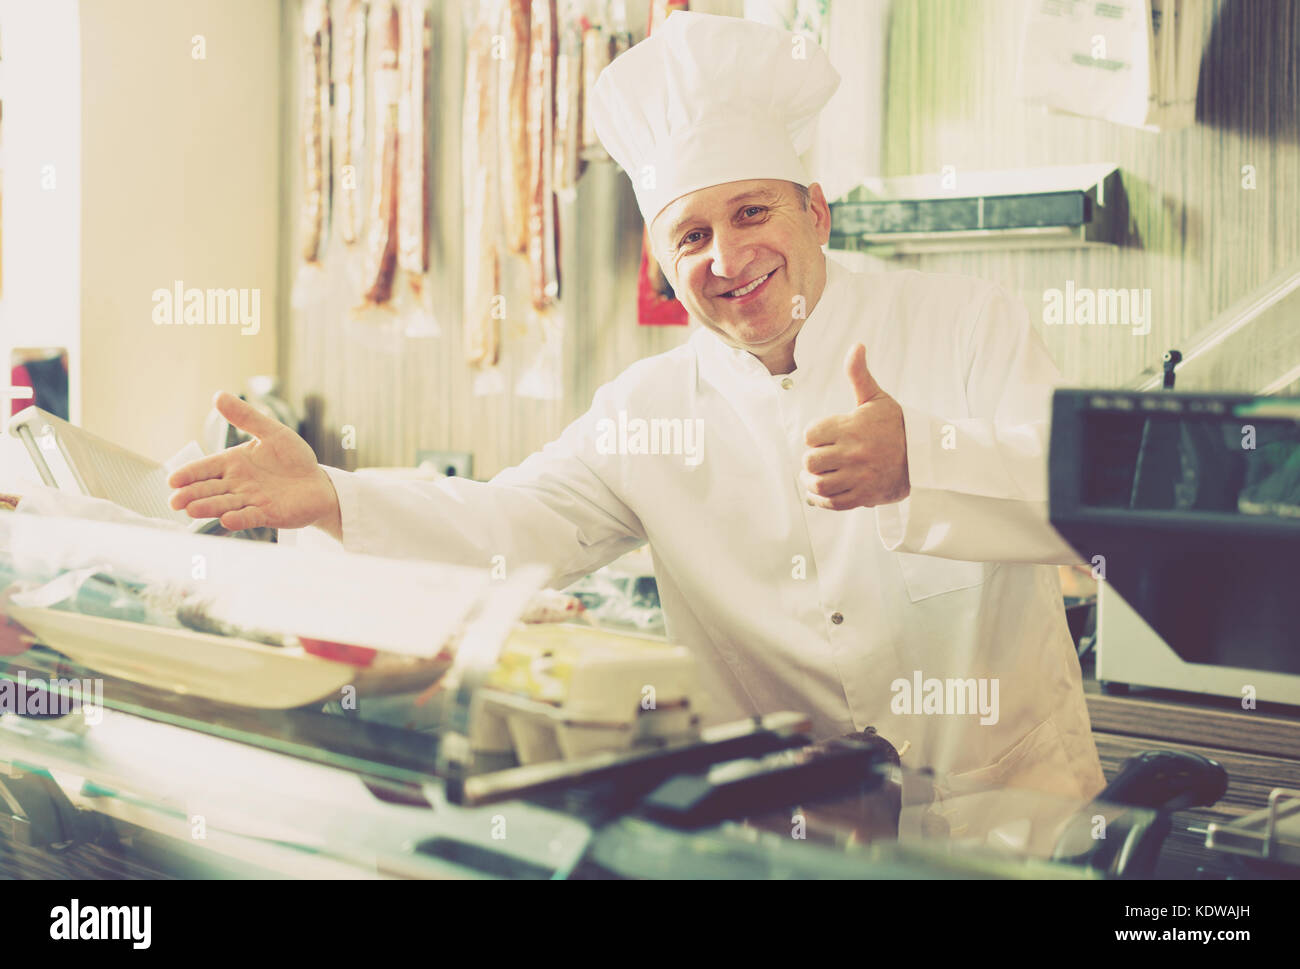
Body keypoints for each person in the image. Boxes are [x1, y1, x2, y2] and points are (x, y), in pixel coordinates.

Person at [169, 11, 1105, 802]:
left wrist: (924, 460)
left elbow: (1091, 499)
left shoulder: (967, 322)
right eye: (691, 235)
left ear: (816, 212)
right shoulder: (648, 409)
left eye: (752, 214)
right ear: (662, 262)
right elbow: (514, 521)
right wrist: (333, 495)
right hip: (793, 825)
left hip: (1011, 813)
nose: (727, 260)